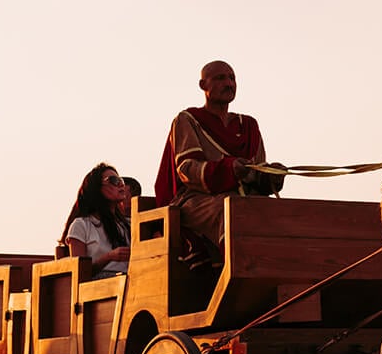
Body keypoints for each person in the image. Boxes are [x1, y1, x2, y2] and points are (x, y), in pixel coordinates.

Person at [153, 60, 282, 250]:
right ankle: (240, 268)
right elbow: (187, 169)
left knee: (282, 212)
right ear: (203, 85)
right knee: (230, 209)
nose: (229, 83)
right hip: (197, 199)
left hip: (245, 197)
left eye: (232, 78)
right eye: (220, 78)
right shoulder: (188, 119)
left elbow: (258, 173)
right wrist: (229, 169)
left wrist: (272, 174)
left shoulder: (248, 125)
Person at [59, 163, 131, 278]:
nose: (121, 184)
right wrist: (109, 257)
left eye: (120, 180)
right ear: (97, 188)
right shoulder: (81, 225)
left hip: (130, 281)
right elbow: (80, 273)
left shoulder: (128, 224)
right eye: (113, 180)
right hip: (97, 287)